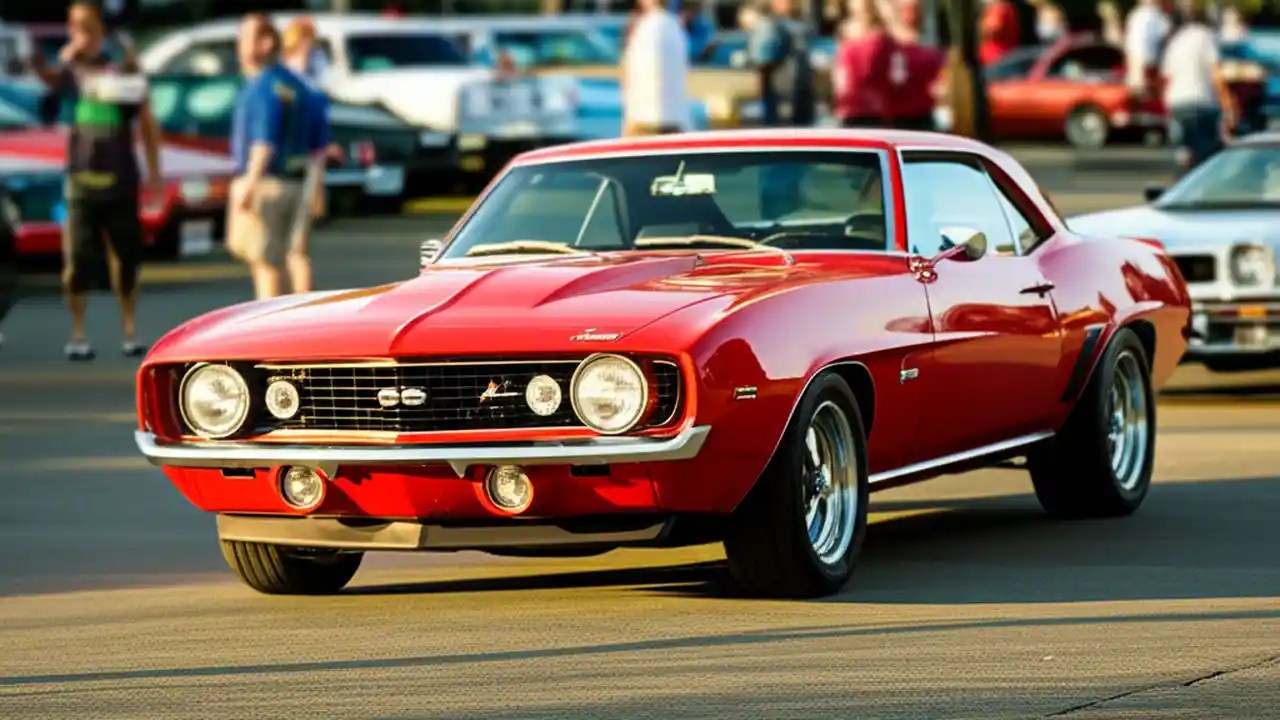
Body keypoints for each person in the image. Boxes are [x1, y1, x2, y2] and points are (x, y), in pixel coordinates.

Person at [31, 1, 162, 361]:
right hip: (80, 180)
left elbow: (147, 122)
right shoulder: (68, 71)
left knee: (127, 258)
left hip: (120, 177)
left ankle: (130, 330)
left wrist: (155, 174)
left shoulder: (122, 66)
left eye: (88, 27)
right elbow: (44, 86)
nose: (82, 34)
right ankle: (78, 334)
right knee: (76, 261)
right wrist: (64, 59)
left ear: (101, 30)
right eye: (75, 27)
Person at [229, 14, 326, 300]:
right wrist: (317, 186)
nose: (239, 46)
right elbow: (317, 144)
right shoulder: (299, 86)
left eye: (245, 39)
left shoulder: (263, 87)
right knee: (294, 255)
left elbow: (264, 141)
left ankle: (269, 329)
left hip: (268, 183)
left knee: (266, 262)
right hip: (298, 180)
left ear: (266, 43)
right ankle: (299, 320)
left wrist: (249, 183)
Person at [280, 17, 334, 297]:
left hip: (289, 171)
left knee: (293, 252)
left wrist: (318, 186)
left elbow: (318, 144)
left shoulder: (292, 85)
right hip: (299, 170)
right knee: (294, 252)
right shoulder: (310, 87)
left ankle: (293, 310)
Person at [1161, 6, 1236, 171]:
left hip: (1177, 103)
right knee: (1206, 156)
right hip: (1200, 102)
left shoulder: (1177, 40)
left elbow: (1167, 77)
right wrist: (1228, 105)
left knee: (1185, 152)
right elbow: (1216, 74)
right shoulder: (1206, 37)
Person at [621, 0, 689, 136]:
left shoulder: (644, 27)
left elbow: (631, 75)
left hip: (643, 119)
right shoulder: (675, 27)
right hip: (674, 118)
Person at [749, 0, 817, 127]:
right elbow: (763, 63)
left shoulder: (804, 25)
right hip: (780, 91)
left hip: (801, 91)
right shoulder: (768, 25)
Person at [832, 0, 894, 127]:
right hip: (852, 108)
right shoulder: (846, 32)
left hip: (875, 109)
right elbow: (841, 70)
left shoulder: (881, 37)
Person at [887, 0, 946, 131]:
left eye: (916, 9)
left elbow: (939, 84)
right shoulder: (891, 48)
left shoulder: (930, 48)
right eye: (908, 9)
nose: (912, 14)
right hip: (897, 118)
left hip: (922, 116)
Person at [1124, 0, 1170, 97]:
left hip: (1147, 71)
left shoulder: (1141, 15)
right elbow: (1138, 47)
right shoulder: (1147, 16)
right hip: (1148, 70)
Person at [979, 0, 1021, 64]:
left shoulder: (1001, 9)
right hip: (998, 58)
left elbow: (992, 31)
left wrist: (983, 24)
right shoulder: (1003, 8)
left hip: (998, 59)